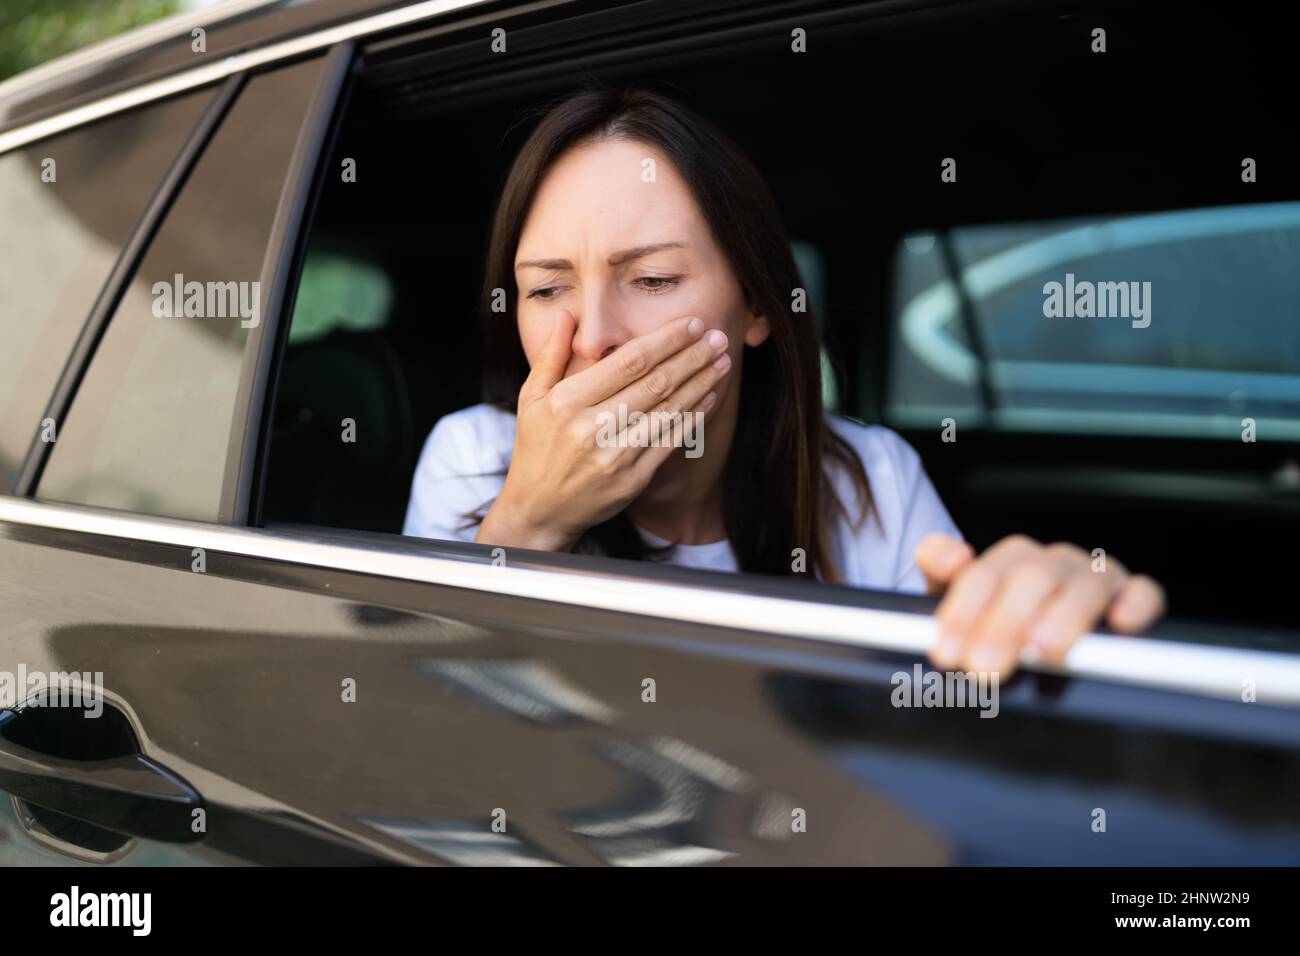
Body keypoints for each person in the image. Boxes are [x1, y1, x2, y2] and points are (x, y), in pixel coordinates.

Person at [404, 88, 1164, 676]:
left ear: (758, 308)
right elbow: (429, 731)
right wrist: (528, 523)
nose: (595, 334)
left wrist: (1021, 615)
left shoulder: (871, 480)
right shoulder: (470, 455)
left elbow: (937, 711)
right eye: (546, 290)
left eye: (656, 278)